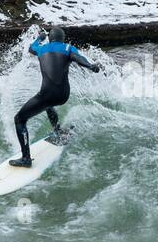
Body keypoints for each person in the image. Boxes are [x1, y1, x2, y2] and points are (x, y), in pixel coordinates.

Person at [11, 24, 100, 167]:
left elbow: (31, 48)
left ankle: (26, 158)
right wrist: (90, 66)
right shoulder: (68, 48)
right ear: (62, 39)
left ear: (50, 39)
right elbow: (78, 58)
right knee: (48, 105)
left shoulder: (40, 48)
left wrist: (39, 38)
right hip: (63, 95)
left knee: (19, 119)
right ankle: (57, 130)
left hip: (47, 95)